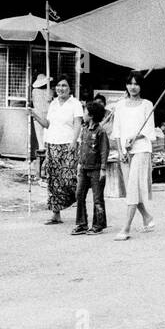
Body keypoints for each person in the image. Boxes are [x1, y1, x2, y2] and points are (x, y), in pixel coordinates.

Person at [31, 78, 82, 223]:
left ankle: (80, 206)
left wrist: (74, 142)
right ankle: (56, 214)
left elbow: (78, 124)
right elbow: (47, 124)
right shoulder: (53, 104)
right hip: (52, 144)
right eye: (58, 85)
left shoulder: (75, 104)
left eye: (64, 85)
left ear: (70, 88)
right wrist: (35, 115)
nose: (61, 88)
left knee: (69, 179)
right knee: (53, 180)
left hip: (68, 144)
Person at [112, 75, 157, 240]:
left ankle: (126, 228)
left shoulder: (147, 105)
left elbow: (149, 131)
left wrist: (134, 138)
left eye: (136, 84)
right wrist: (121, 151)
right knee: (132, 189)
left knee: (132, 188)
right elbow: (116, 131)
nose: (133, 87)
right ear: (126, 85)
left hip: (141, 149)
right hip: (124, 152)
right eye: (130, 83)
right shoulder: (120, 105)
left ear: (141, 87)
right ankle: (147, 217)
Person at [72, 100, 110, 235]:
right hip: (83, 168)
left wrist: (103, 170)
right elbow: (81, 148)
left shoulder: (101, 132)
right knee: (79, 194)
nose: (83, 114)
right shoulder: (84, 129)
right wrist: (78, 165)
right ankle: (81, 224)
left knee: (97, 198)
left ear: (92, 115)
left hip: (96, 169)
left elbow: (104, 151)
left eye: (85, 112)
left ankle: (98, 225)